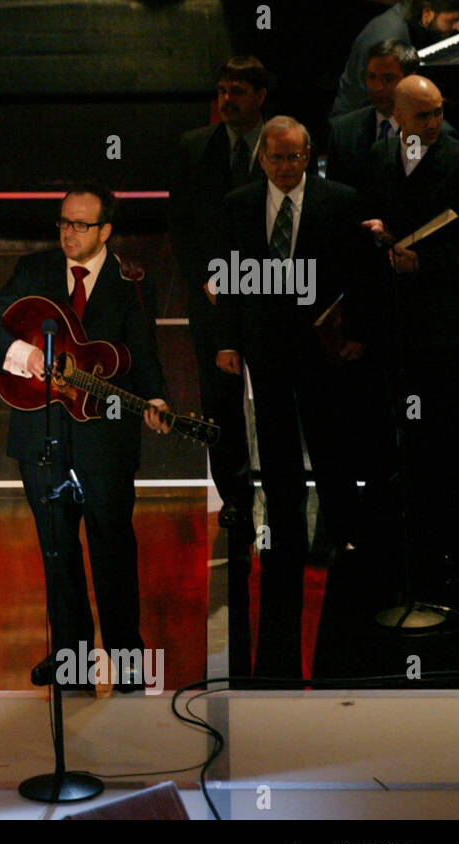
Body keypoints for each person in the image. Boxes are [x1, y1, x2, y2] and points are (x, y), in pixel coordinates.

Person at [0, 182, 170, 692]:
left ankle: (126, 664)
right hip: (41, 432)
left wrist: (157, 398)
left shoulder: (131, 280)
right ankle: (73, 663)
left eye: (81, 224)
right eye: (63, 222)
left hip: (106, 439)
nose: (69, 233)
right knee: (57, 551)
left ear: (106, 230)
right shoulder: (35, 270)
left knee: (112, 549)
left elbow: (143, 349)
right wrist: (24, 355)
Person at [216, 116, 374, 681]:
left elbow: (360, 275)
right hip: (266, 346)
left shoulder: (340, 200)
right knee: (277, 445)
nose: (286, 167)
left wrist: (356, 333)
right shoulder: (238, 204)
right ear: (262, 158)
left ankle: (342, 533)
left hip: (322, 346)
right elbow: (231, 278)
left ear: (310, 156)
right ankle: (283, 536)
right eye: (277, 158)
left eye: (295, 157)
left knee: (329, 442)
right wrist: (230, 342)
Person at [359, 75, 459, 602]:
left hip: (442, 329)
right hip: (391, 325)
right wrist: (378, 232)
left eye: (438, 112)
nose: (433, 122)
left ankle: (443, 550)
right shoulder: (379, 159)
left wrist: (426, 262)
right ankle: (398, 550)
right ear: (396, 116)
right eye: (423, 115)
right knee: (392, 436)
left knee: (440, 441)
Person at [168, 56, 265, 530]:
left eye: (238, 91)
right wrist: (204, 281)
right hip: (210, 297)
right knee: (219, 402)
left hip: (269, 296)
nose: (227, 99)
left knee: (275, 395)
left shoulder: (282, 144)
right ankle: (235, 496)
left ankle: (281, 488)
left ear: (261, 96)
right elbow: (181, 227)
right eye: (222, 90)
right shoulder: (193, 148)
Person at [331, 1, 459, 118]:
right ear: (428, 13)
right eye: (453, 21)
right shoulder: (390, 37)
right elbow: (379, 93)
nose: (458, 27)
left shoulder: (414, 20)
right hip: (361, 124)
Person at [327, 40, 422, 189]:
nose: (377, 87)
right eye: (371, 77)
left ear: (411, 79)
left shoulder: (425, 132)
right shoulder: (343, 131)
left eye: (388, 79)